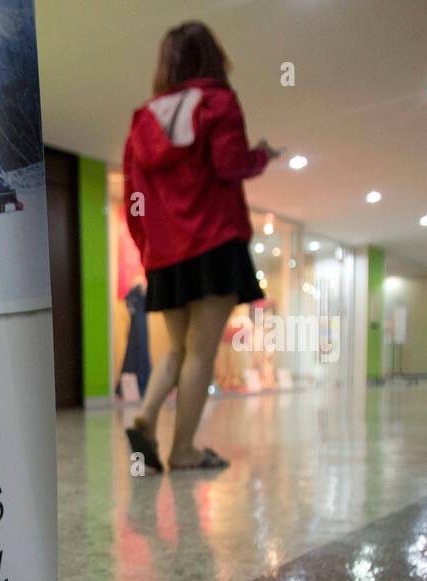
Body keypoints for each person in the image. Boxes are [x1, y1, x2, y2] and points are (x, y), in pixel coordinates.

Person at [122, 21, 281, 471]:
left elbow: (134, 200)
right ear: (211, 58)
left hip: (167, 256)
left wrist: (149, 250)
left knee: (177, 350)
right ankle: (184, 450)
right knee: (202, 351)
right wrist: (262, 157)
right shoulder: (218, 103)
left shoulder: (142, 122)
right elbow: (229, 164)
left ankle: (145, 418)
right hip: (214, 244)